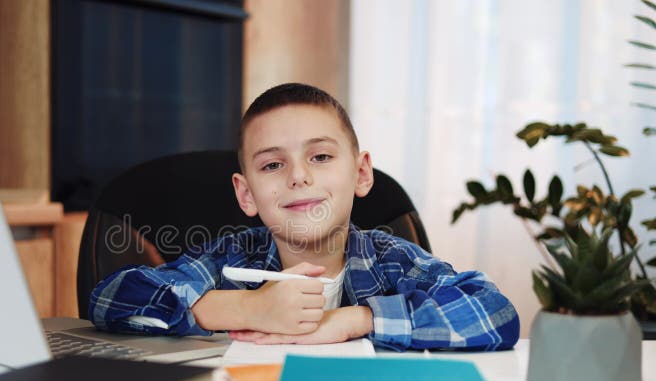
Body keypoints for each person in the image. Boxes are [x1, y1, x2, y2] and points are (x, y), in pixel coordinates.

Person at [89, 83, 519, 351]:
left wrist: (353, 320)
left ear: (361, 173)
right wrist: (243, 307)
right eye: (272, 165)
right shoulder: (229, 261)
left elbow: (494, 312)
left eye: (320, 156)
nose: (298, 176)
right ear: (246, 193)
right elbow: (107, 299)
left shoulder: (389, 260)